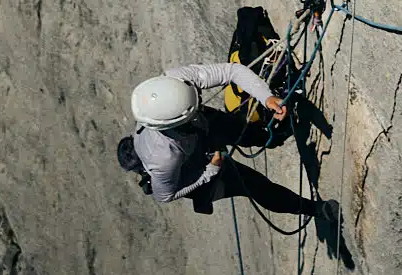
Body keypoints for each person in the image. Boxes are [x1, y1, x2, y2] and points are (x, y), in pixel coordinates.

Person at [119, 55, 347, 256]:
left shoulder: (177, 82)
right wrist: (210, 171)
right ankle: (315, 209)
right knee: (257, 187)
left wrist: (266, 97)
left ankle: (278, 128)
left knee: (256, 135)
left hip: (199, 128)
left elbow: (232, 71)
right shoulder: (164, 160)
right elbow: (165, 195)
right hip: (196, 170)